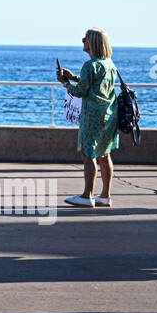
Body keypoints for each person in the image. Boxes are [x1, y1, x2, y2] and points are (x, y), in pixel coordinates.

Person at [57, 29, 119, 208]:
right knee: (104, 153)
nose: (82, 40)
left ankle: (87, 195)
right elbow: (95, 85)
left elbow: (81, 91)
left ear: (92, 43)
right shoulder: (109, 64)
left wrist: (66, 83)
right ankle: (105, 195)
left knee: (88, 153)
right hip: (109, 114)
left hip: (92, 115)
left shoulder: (89, 65)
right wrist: (74, 77)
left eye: (86, 38)